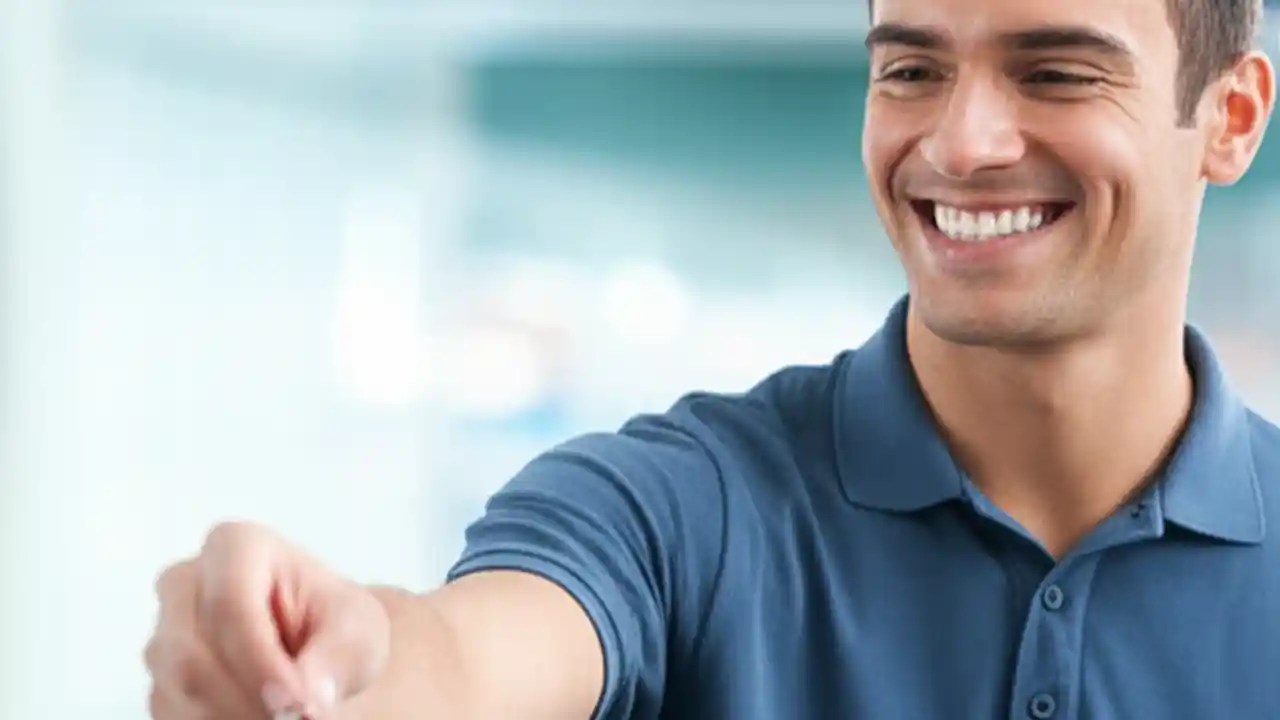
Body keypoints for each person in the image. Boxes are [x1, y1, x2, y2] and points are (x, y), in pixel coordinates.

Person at [144, 0, 1278, 717]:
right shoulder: (675, 507)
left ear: (1228, 119)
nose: (959, 142)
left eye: (1056, 72)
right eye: (910, 72)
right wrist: (342, 662)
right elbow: (468, 656)